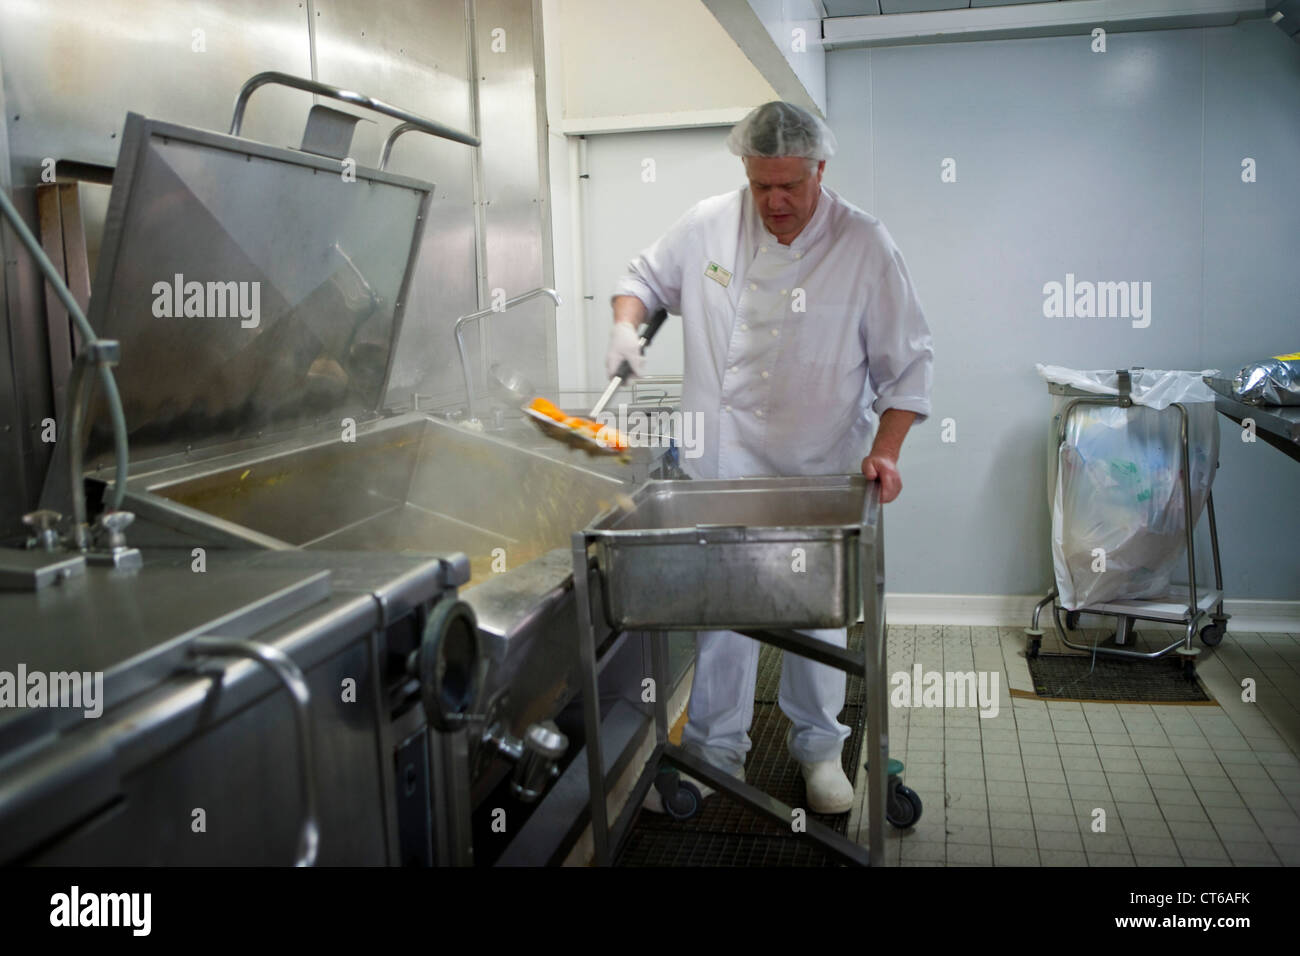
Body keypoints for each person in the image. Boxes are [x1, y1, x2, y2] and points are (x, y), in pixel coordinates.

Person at [608, 101, 934, 814]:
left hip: (818, 472)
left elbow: (907, 370)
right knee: (723, 618)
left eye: (791, 185)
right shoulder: (708, 225)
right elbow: (641, 281)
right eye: (762, 185)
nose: (775, 201)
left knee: (816, 617)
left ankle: (819, 751)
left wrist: (886, 453)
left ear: (821, 169)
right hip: (722, 470)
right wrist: (627, 330)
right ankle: (712, 754)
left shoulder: (865, 246)